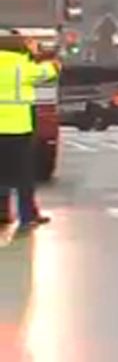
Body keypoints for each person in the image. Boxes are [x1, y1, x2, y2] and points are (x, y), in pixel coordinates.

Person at [0, 33, 57, 227]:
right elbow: (51, 71)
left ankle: (2, 214)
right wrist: (38, 54)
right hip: (19, 128)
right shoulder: (23, 67)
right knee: (24, 174)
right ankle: (27, 216)